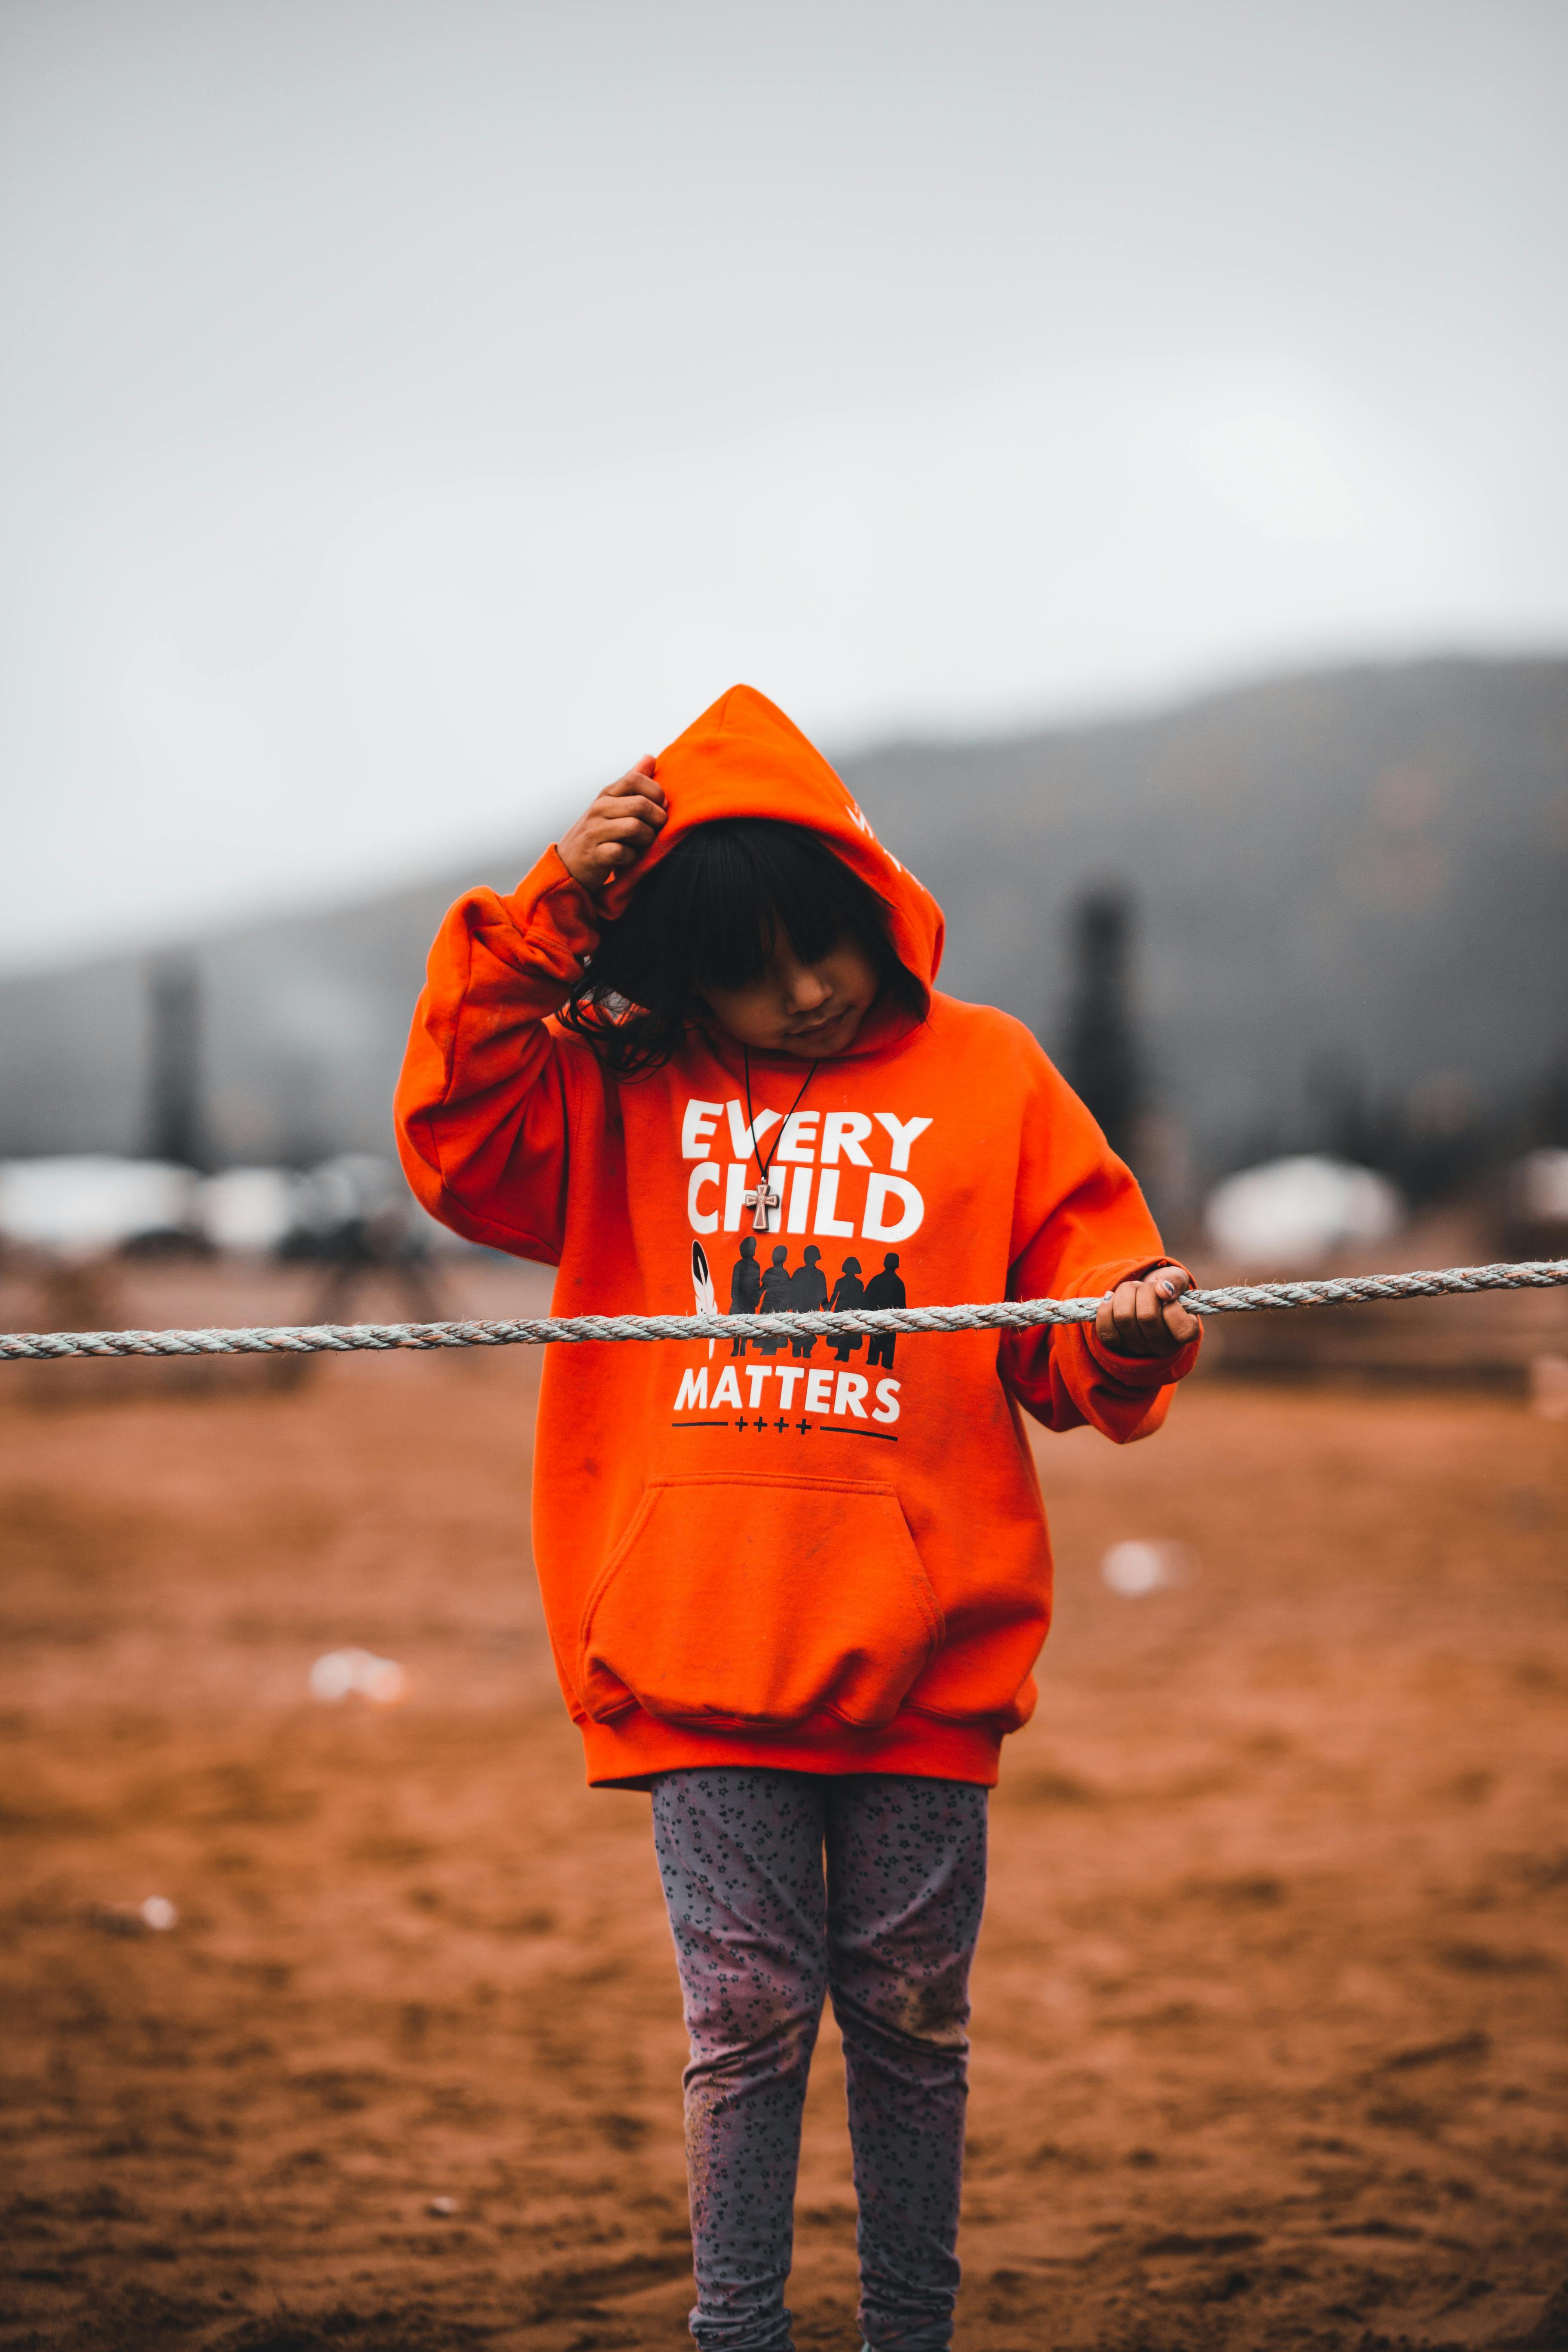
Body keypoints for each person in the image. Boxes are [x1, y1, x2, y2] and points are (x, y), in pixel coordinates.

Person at [395, 685, 1200, 2352]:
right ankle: (733, 2333)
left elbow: (1074, 1306)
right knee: (743, 2019)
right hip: (695, 1646)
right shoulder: (620, 1093)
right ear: (682, 976)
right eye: (747, 970)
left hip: (926, 1655)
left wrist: (1122, 1328)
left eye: (820, 943)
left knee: (914, 2021)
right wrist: (552, 910)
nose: (804, 993)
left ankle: (911, 2329)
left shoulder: (993, 1077)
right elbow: (458, 1142)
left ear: (871, 902)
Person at [861, 1249, 906, 1371]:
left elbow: (867, 1297)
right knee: (889, 1342)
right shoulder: (899, 1283)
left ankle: (873, 1359)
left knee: (876, 1339)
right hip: (892, 1320)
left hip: (876, 1318)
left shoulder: (877, 1280)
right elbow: (902, 1306)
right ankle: (886, 1362)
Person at [786, 1241, 828, 1357]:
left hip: (809, 1309)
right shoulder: (809, 1273)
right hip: (802, 1308)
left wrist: (826, 1309)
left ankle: (805, 1351)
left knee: (806, 1330)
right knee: (801, 1330)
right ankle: (802, 1351)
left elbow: (823, 1294)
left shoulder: (806, 1273)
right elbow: (792, 1290)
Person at [728, 1233, 761, 1354]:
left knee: (747, 1326)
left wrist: (755, 1298)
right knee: (736, 1325)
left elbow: (755, 1285)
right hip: (739, 1301)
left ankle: (743, 1349)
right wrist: (736, 1298)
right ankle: (737, 1348)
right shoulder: (739, 1265)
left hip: (749, 1302)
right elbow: (735, 1284)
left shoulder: (756, 1265)